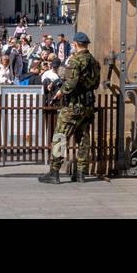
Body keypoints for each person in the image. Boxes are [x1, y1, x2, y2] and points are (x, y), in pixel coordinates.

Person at [38, 32, 101, 184]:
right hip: (87, 105)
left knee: (60, 137)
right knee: (84, 139)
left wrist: (59, 93)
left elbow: (70, 84)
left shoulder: (75, 61)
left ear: (75, 44)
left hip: (73, 105)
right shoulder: (94, 61)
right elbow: (96, 83)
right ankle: (81, 173)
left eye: (73, 44)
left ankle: (54, 172)